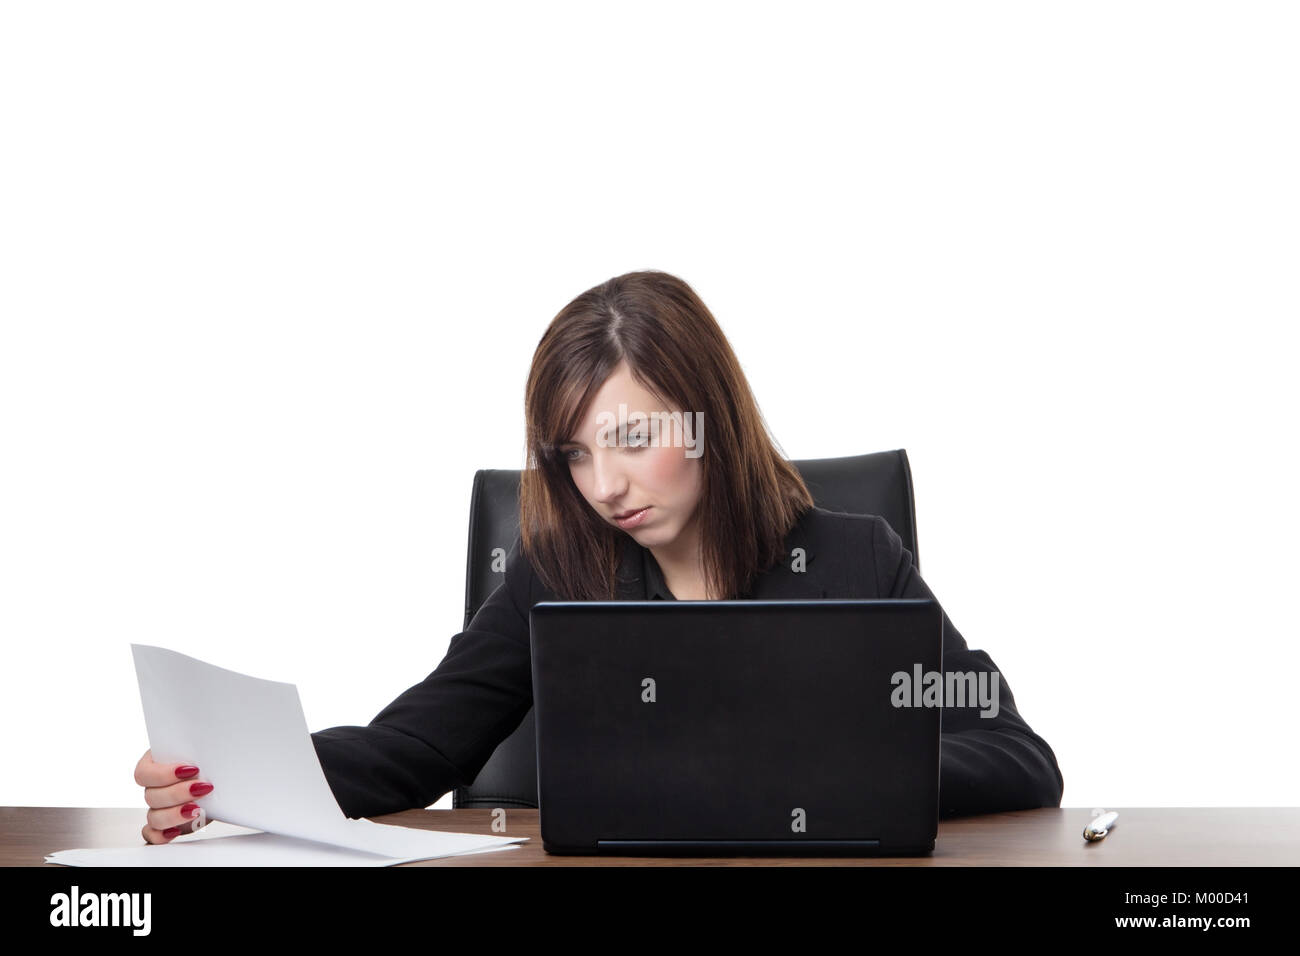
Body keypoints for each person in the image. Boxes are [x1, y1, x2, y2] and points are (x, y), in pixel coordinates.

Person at [136, 270, 1064, 843]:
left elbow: (1016, 752)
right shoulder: (559, 571)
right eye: (575, 453)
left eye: (630, 437)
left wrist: (830, 777)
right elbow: (412, 748)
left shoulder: (861, 561)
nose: (604, 484)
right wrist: (237, 776)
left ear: (708, 419)